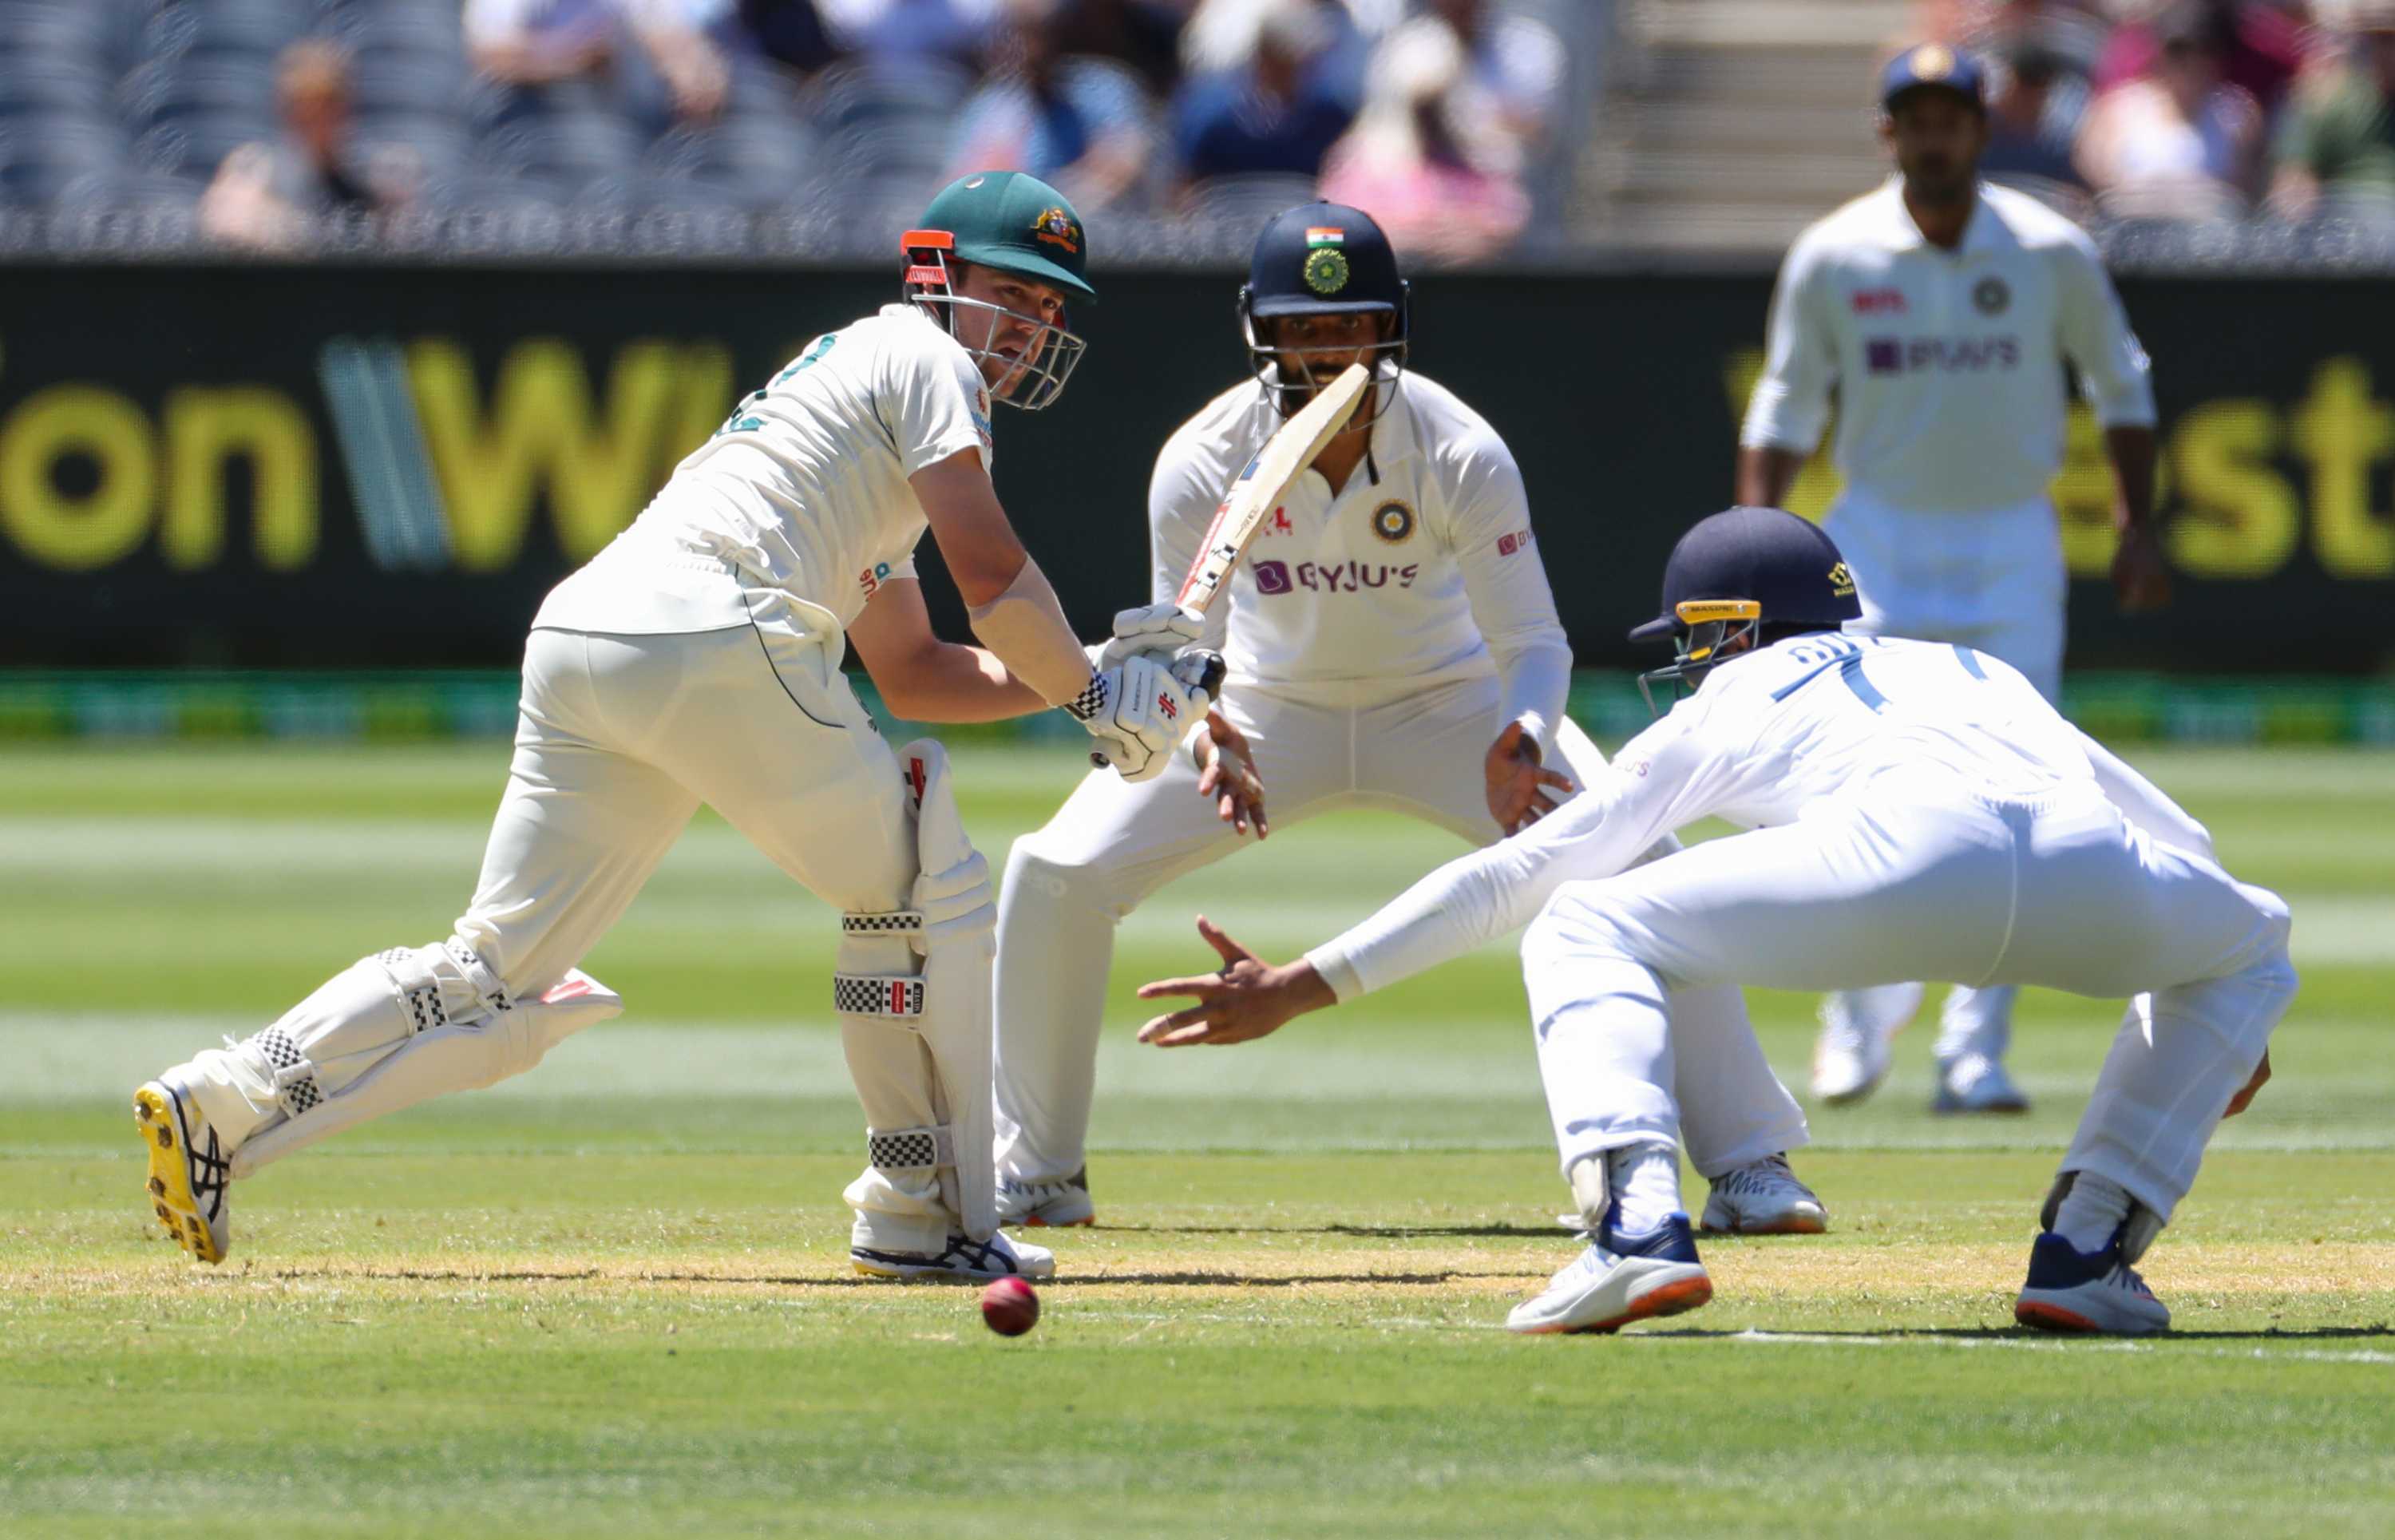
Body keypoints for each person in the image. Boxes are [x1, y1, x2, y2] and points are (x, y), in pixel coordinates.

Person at [134, 172, 1208, 1285]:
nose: (1028, 328)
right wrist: (1098, 699)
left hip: (591, 634)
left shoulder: (853, 391)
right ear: (936, 276)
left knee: (495, 967)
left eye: (1047, 309)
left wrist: (1088, 677)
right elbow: (992, 577)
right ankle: (921, 1211)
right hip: (714, 629)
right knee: (923, 887)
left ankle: (219, 1097)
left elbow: (918, 667)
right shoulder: (930, 363)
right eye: (1010, 293)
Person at [1134, 505, 2291, 1339]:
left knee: (1583, 922)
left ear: (1732, 629)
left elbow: (1526, 867)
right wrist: (2222, 1014)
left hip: (1895, 862)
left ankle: (1636, 1224)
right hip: (2092, 878)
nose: (1686, 666)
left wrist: (1306, 981)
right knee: (2256, 936)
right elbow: (2175, 832)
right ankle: (2091, 1243)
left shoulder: (1742, 687)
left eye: (1691, 640)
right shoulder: (1971, 671)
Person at [990, 203, 1827, 1240]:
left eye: (1349, 325)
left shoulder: (1458, 447)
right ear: (1262, 330)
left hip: (1452, 707)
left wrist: (1522, 734)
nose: (1327, 347)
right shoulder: (1205, 457)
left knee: (1645, 858)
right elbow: (1178, 643)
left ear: (1391, 328)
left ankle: (1749, 1161)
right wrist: (1204, 727)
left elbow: (1536, 643)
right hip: (1265, 708)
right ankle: (1033, 1176)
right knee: (1055, 869)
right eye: (1302, 327)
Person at [1738, 42, 2167, 1114]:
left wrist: (2136, 524)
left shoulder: (2049, 249)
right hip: (1874, 540)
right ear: (1889, 132)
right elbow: (1785, 408)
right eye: (1914, 117)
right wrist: (1753, 542)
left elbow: (2121, 386)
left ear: (1983, 128)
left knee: (2026, 791)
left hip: (2011, 541)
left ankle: (1975, 1053)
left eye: (1952, 116)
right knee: (1849, 777)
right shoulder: (1838, 253)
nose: (1934, 134)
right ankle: (1854, 1016)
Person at [2268, 0, 2395, 223]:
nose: (2389, 51)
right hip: (2345, 227)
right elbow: (2292, 181)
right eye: (2382, 39)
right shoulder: (2329, 98)